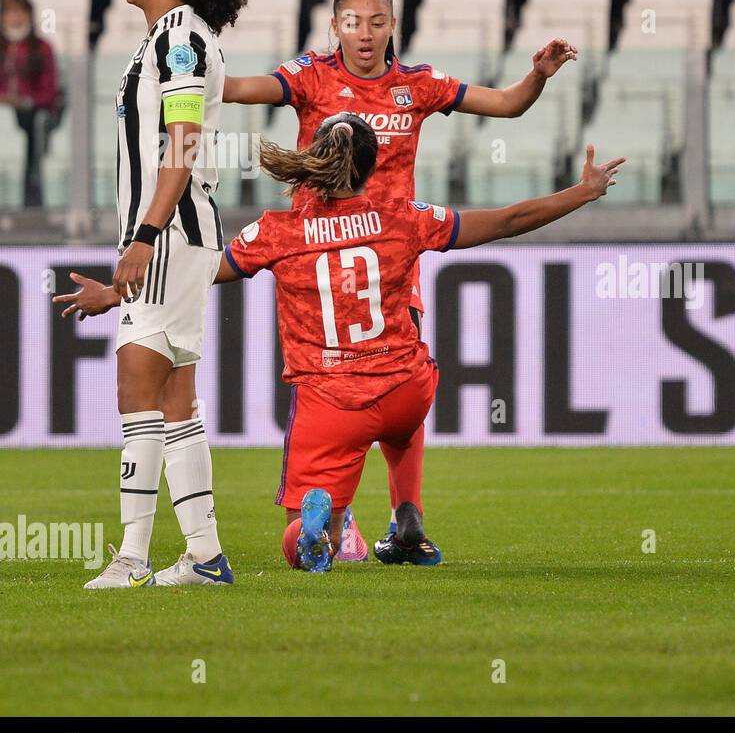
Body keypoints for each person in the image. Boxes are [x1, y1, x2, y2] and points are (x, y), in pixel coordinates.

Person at [56, 112, 627, 573]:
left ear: (314, 160)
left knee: (301, 546)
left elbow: (193, 275)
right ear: (373, 169)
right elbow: (506, 220)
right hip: (406, 386)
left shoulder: (278, 231)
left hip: (333, 404)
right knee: (406, 413)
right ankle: (408, 515)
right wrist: (582, 191)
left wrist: (113, 293)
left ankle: (323, 529)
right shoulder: (405, 215)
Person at [221, 0, 579, 557]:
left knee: (350, 376)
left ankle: (391, 516)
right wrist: (191, 74)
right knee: (391, 374)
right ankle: (392, 516)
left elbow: (509, 105)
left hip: (391, 250)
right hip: (327, 248)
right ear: (334, 26)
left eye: (377, 22)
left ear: (395, 26)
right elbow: (242, 89)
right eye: (353, 23)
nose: (365, 34)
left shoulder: (419, 85)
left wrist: (535, 76)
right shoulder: (310, 76)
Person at [62, 0, 250, 589]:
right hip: (179, 236)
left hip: (170, 232)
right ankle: (204, 555)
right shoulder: (173, 35)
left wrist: (142, 238)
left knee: (136, 385)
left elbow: (183, 142)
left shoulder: (178, 37)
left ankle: (132, 557)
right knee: (175, 398)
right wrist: (124, 275)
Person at [0, 0, 61, 208]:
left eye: (20, 12)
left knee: (32, 126)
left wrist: (26, 101)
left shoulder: (42, 48)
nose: (15, 18)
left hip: (32, 112)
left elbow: (49, 90)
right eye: (9, 12)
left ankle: (30, 202)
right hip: (4, 111)